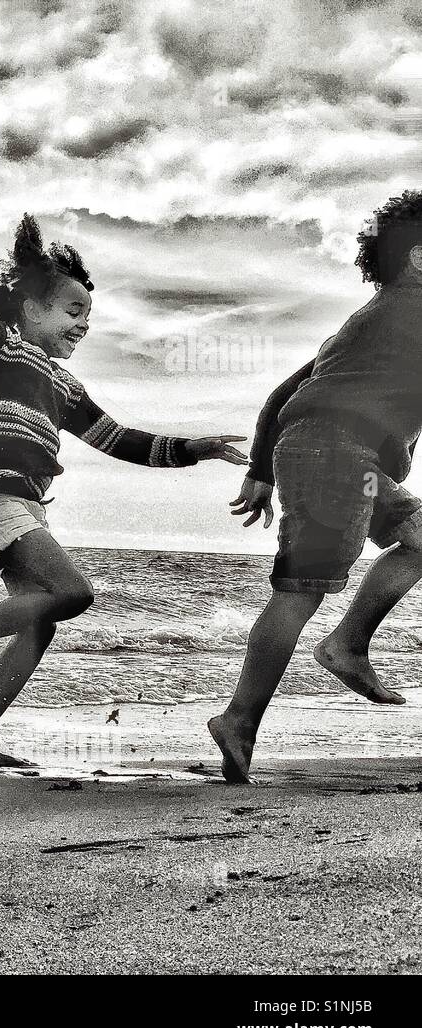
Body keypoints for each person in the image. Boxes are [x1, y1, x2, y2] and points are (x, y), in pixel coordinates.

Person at [0, 214, 247, 772]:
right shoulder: (2, 349)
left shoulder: (67, 387)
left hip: (24, 505)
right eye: (73, 311)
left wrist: (196, 448)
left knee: (41, 620)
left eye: (88, 316)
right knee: (73, 592)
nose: (82, 325)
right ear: (32, 308)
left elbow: (120, 440)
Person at [210, 190, 422, 783]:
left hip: (334, 455)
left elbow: (283, 395)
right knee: (300, 591)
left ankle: (348, 643)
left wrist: (261, 468)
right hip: (336, 455)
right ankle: (241, 718)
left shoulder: (361, 325)